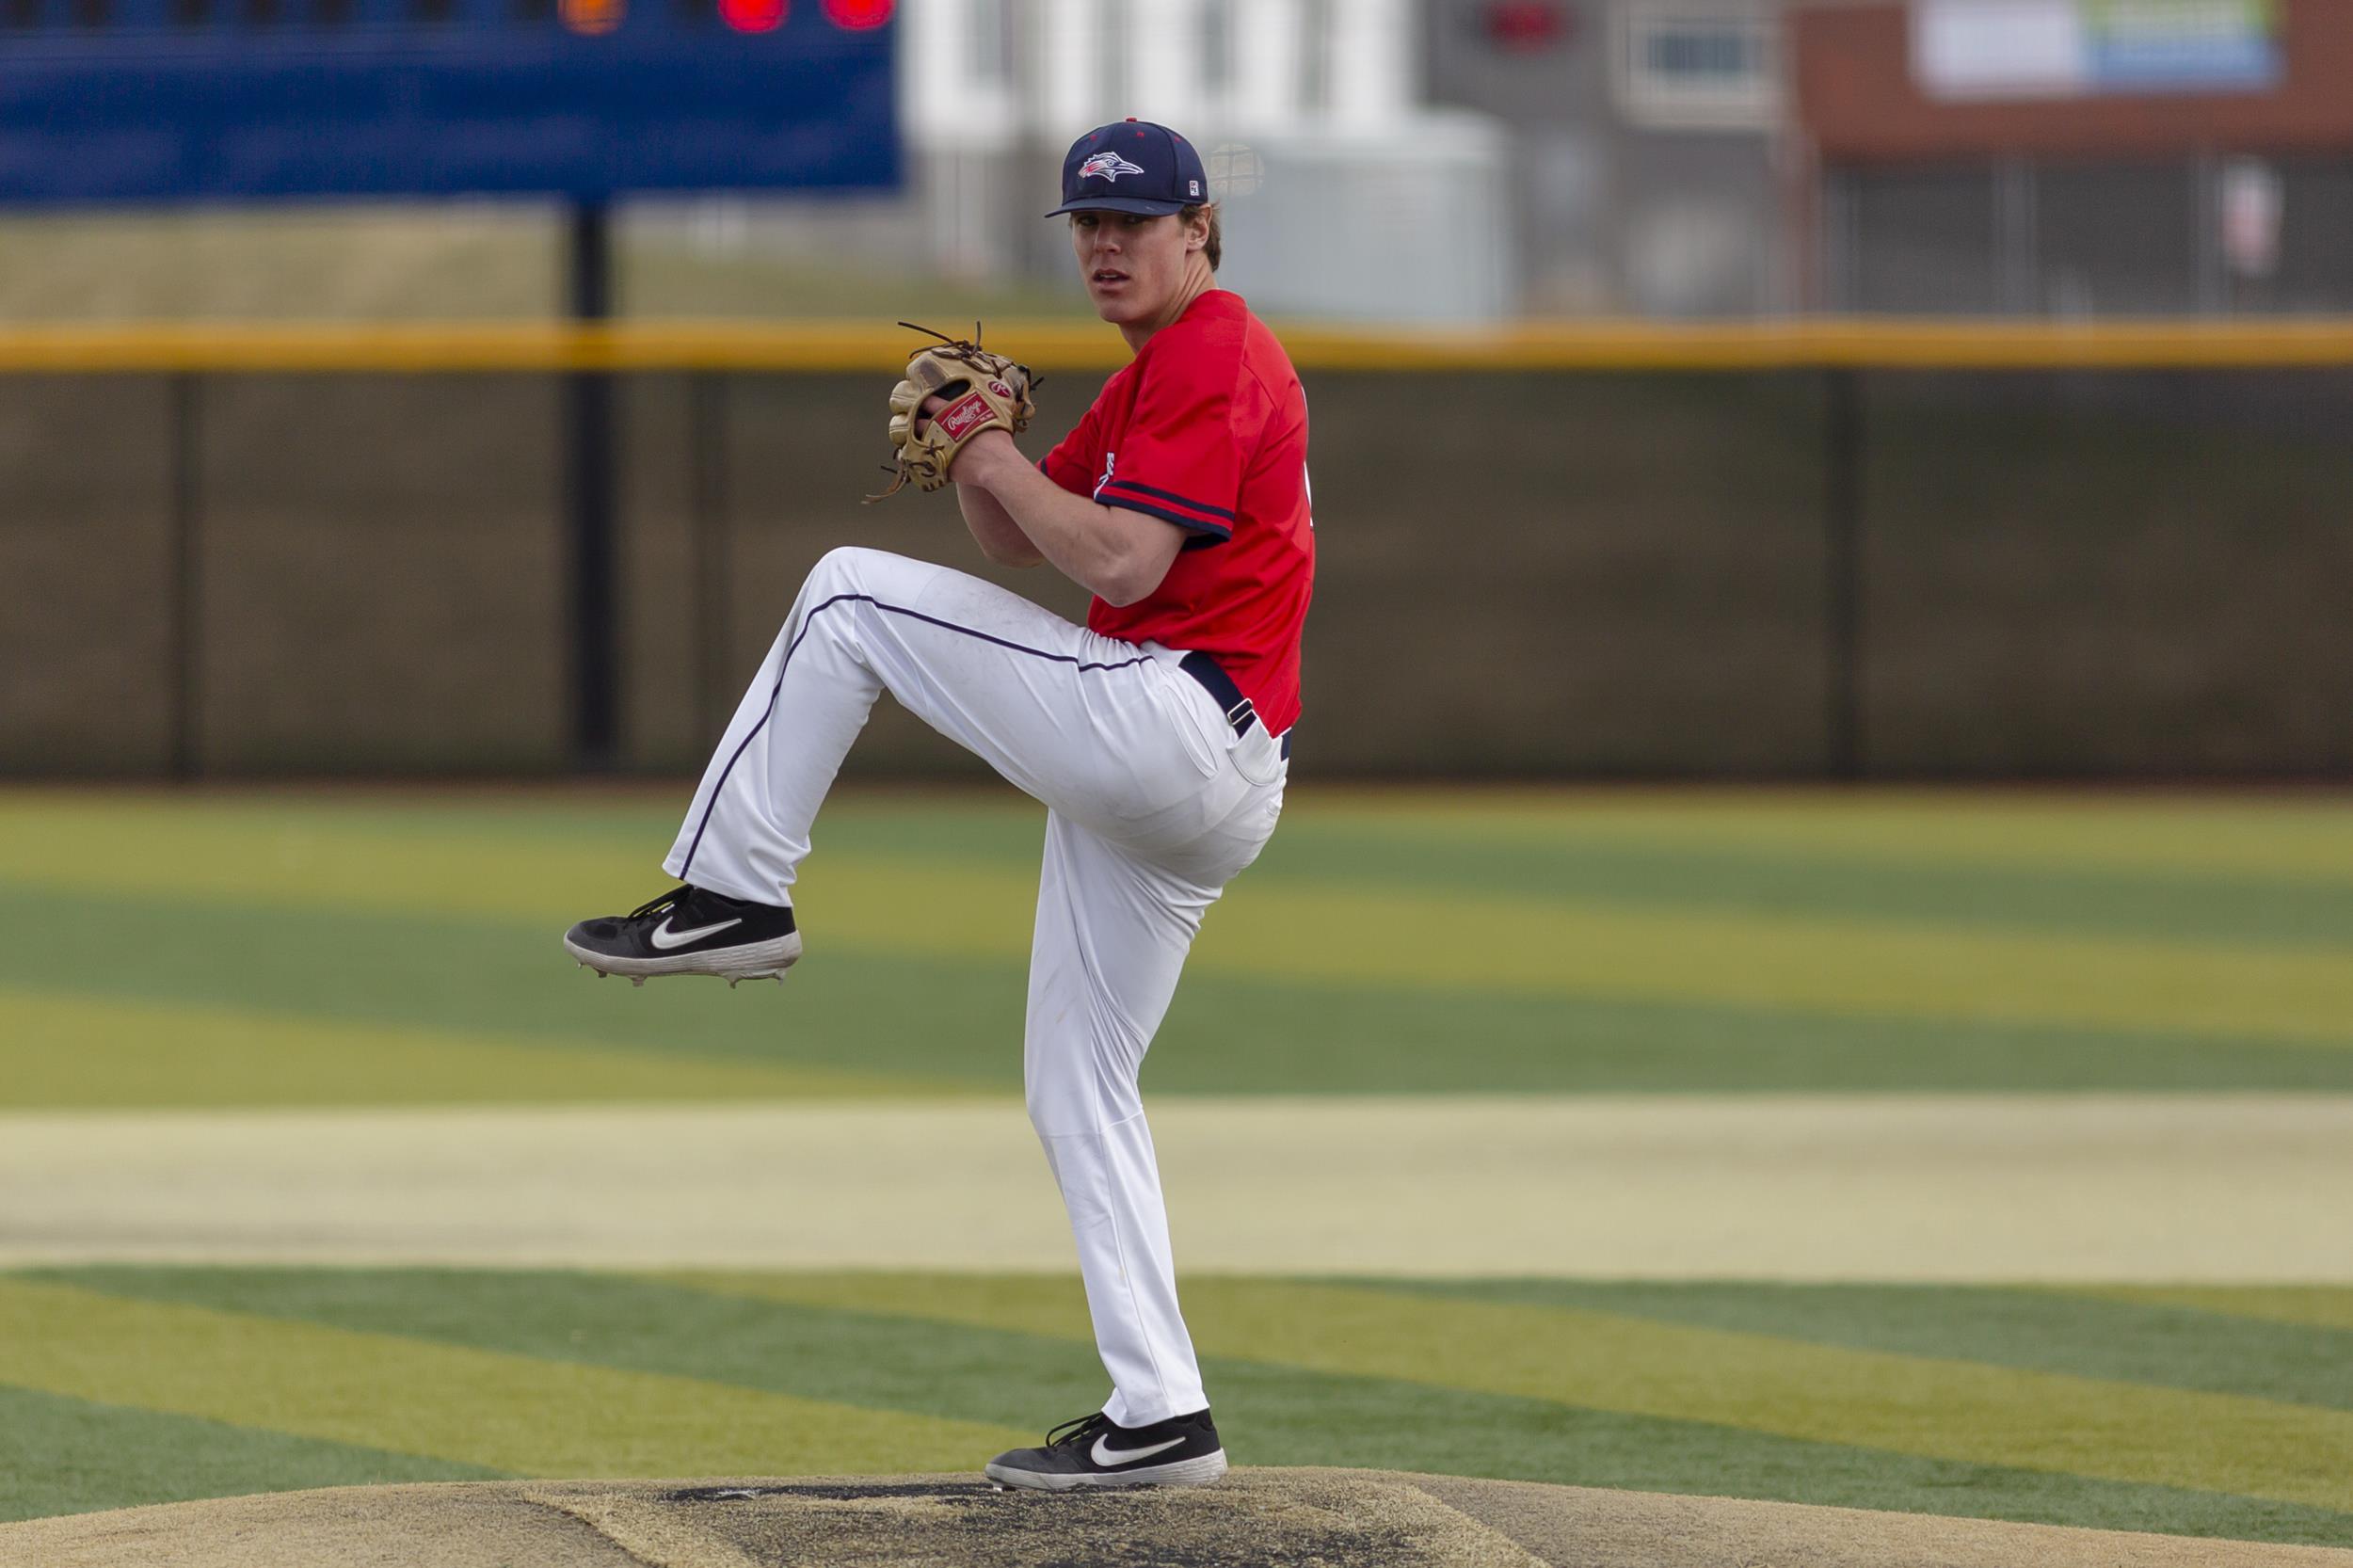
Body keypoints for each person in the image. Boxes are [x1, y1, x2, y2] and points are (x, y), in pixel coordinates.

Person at [562, 118, 1313, 1492]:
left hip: (1171, 714)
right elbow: (1018, 529)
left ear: (1200, 231)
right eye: (1086, 223)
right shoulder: (1164, 371)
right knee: (1075, 1082)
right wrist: (991, 444)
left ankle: (735, 889)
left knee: (846, 591)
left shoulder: (1211, 350)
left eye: (1134, 221)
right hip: (1208, 767)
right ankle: (1162, 1410)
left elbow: (1126, 564)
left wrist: (980, 448)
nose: (1105, 243)